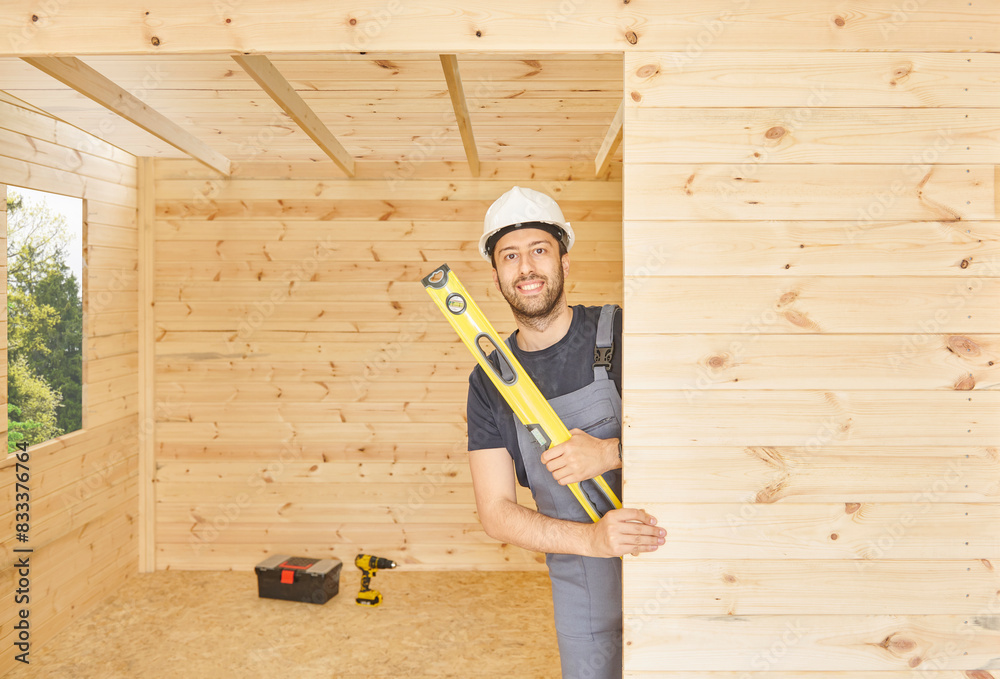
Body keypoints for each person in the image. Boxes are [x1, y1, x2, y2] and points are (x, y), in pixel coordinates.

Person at [465, 186, 666, 678]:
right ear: (496, 276)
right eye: (510, 256)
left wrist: (611, 453)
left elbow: (697, 431)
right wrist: (595, 541)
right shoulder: (490, 380)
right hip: (583, 584)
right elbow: (495, 513)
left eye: (539, 250)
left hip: (667, 555)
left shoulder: (622, 333)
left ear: (564, 262)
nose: (526, 268)